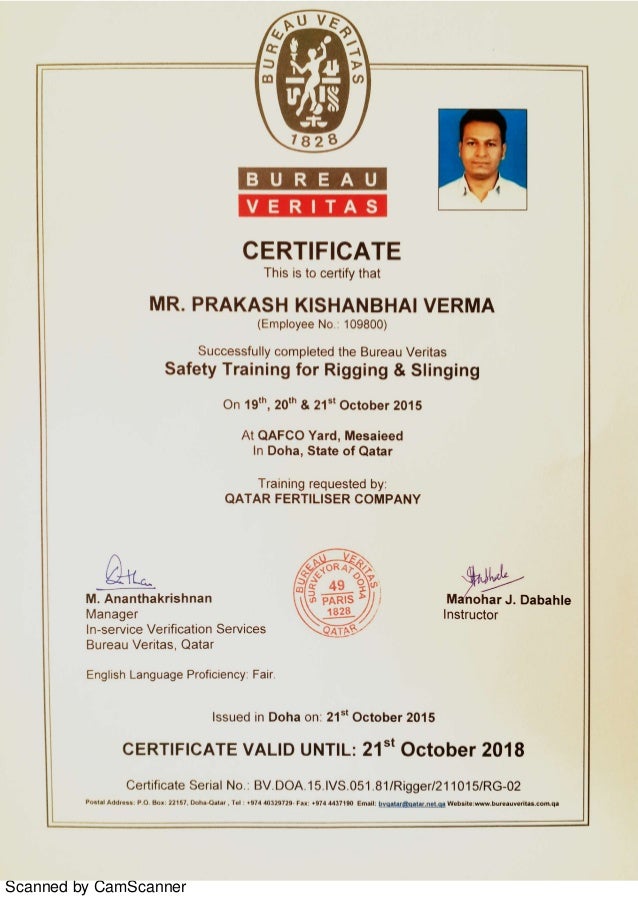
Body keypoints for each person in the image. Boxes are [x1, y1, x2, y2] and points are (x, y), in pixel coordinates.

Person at [439, 109, 527, 210]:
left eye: (491, 144)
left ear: (503, 151)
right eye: (472, 143)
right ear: (460, 149)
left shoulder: (522, 199)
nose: (481, 154)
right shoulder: (440, 198)